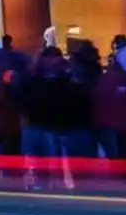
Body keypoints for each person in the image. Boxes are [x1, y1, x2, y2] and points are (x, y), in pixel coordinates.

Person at [18, 46, 81, 190]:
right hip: (45, 126)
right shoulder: (62, 82)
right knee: (44, 161)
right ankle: (45, 185)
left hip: (46, 126)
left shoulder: (39, 81)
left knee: (45, 161)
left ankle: (44, 185)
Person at [92, 55, 126, 164]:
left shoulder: (102, 82)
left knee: (114, 154)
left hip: (107, 123)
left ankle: (118, 172)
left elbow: (97, 102)